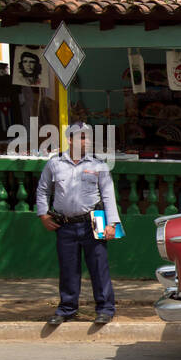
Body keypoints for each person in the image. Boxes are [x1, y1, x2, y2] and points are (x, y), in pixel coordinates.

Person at [35, 121, 121, 325]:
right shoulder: (54, 163)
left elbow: (108, 194)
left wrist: (112, 223)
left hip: (94, 221)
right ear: (70, 139)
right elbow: (43, 190)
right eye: (82, 137)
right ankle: (67, 308)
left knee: (99, 267)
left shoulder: (98, 164)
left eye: (88, 137)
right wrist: (43, 215)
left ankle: (105, 309)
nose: (87, 140)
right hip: (65, 224)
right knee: (68, 269)